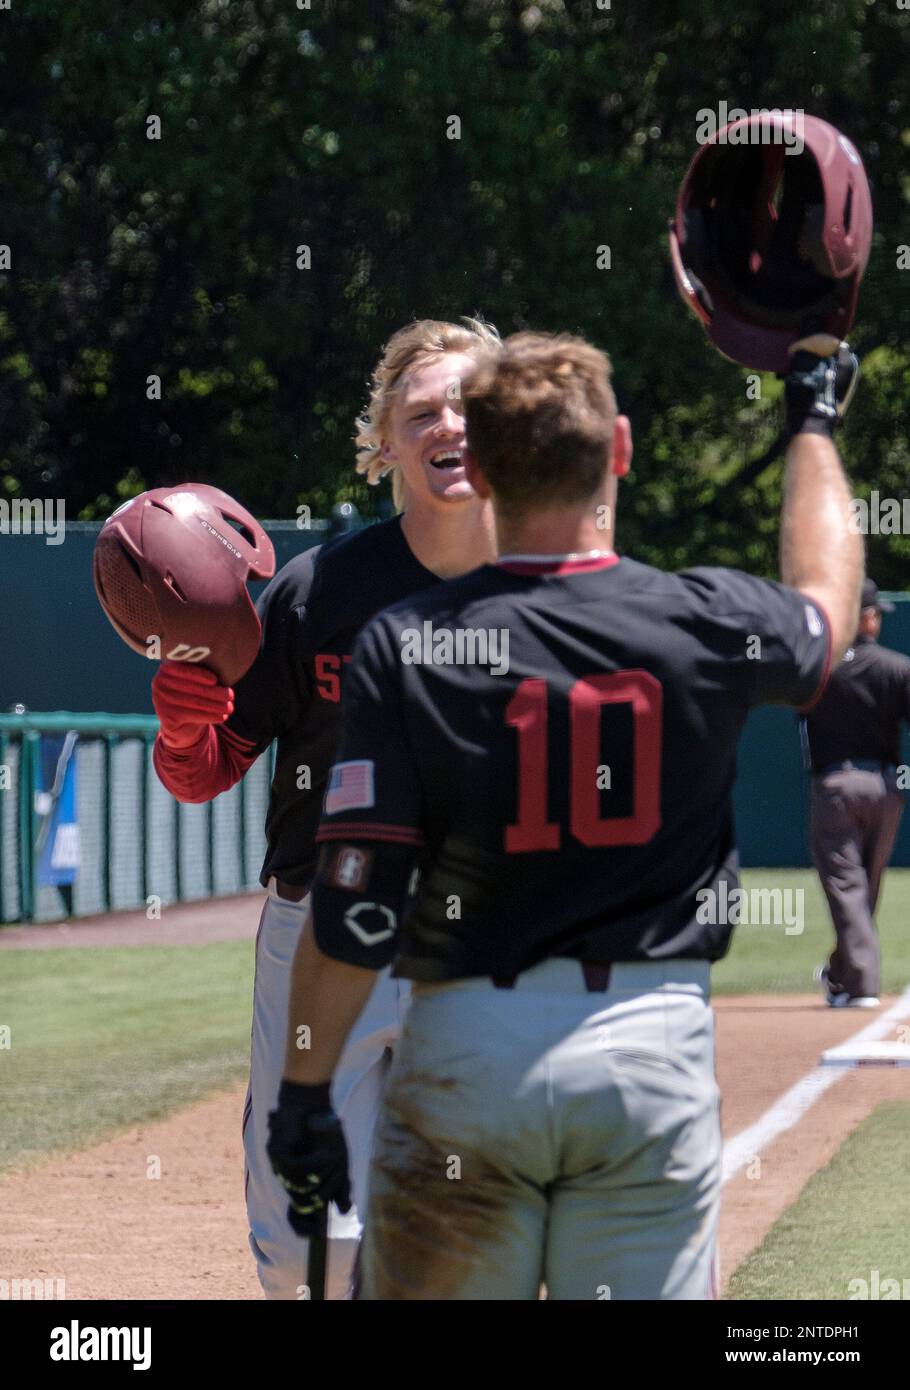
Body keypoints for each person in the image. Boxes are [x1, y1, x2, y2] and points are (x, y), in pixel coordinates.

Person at [267, 332, 863, 1299]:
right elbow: (823, 608)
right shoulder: (702, 621)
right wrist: (813, 419)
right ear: (619, 449)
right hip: (646, 1049)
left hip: (467, 1050)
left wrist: (304, 1093)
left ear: (486, 467)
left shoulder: (406, 643)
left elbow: (355, 912)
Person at [151, 317, 499, 1299]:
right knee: (315, 1246)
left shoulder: (553, 587)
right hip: (321, 932)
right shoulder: (317, 593)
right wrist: (185, 730)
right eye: (422, 409)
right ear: (383, 440)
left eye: (469, 405)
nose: (449, 426)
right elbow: (208, 766)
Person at [804, 577, 908, 1008]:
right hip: (885, 789)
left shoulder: (819, 668)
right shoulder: (897, 667)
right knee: (864, 888)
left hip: (836, 787)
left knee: (848, 887)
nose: (878, 621)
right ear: (863, 617)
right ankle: (843, 973)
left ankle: (860, 982)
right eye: (875, 614)